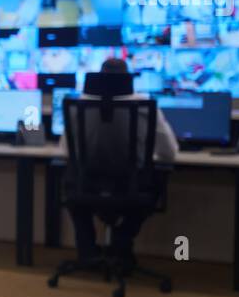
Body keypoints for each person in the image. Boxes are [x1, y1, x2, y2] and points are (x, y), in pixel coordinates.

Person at [62, 57, 178, 266]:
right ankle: (122, 242)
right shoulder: (144, 104)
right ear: (128, 78)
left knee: (70, 180)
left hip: (88, 186)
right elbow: (169, 154)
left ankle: (87, 251)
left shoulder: (78, 105)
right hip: (132, 187)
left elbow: (64, 151)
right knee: (155, 183)